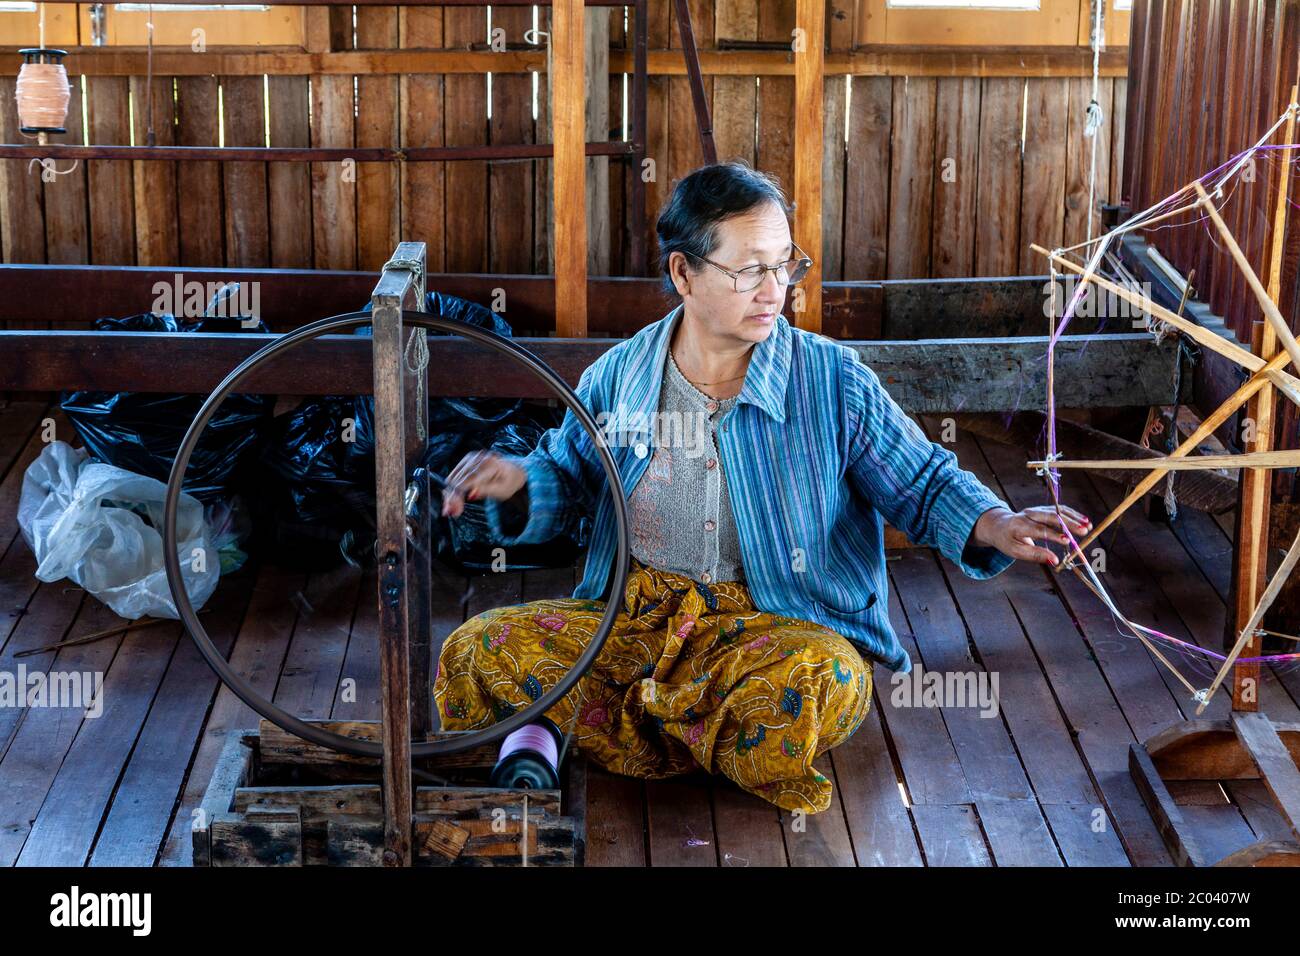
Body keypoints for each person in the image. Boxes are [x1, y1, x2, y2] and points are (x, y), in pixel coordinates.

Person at [433, 161, 1091, 813]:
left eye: (784, 265)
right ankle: (694, 730)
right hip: (640, 623)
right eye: (749, 269)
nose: (775, 289)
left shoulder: (833, 379)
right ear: (683, 272)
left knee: (823, 680)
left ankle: (572, 724)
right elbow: (569, 478)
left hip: (777, 628)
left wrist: (994, 521)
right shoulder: (621, 376)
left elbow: (919, 480)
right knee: (477, 647)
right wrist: (520, 481)